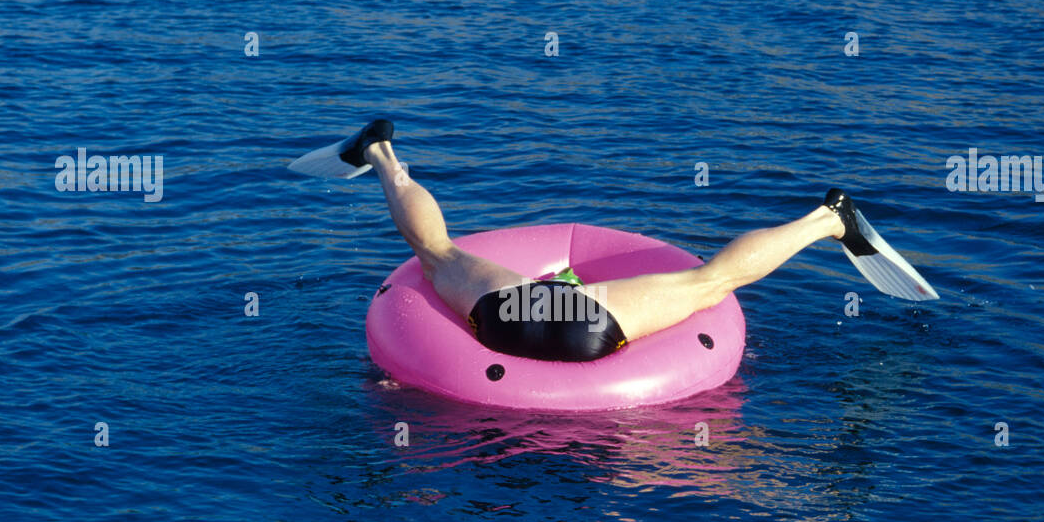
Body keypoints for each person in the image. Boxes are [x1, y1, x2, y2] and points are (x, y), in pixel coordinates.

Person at [290, 119, 938, 363]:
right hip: (572, 319)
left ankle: (380, 152)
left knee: (439, 254)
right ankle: (831, 218)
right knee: (710, 281)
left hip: (506, 315)